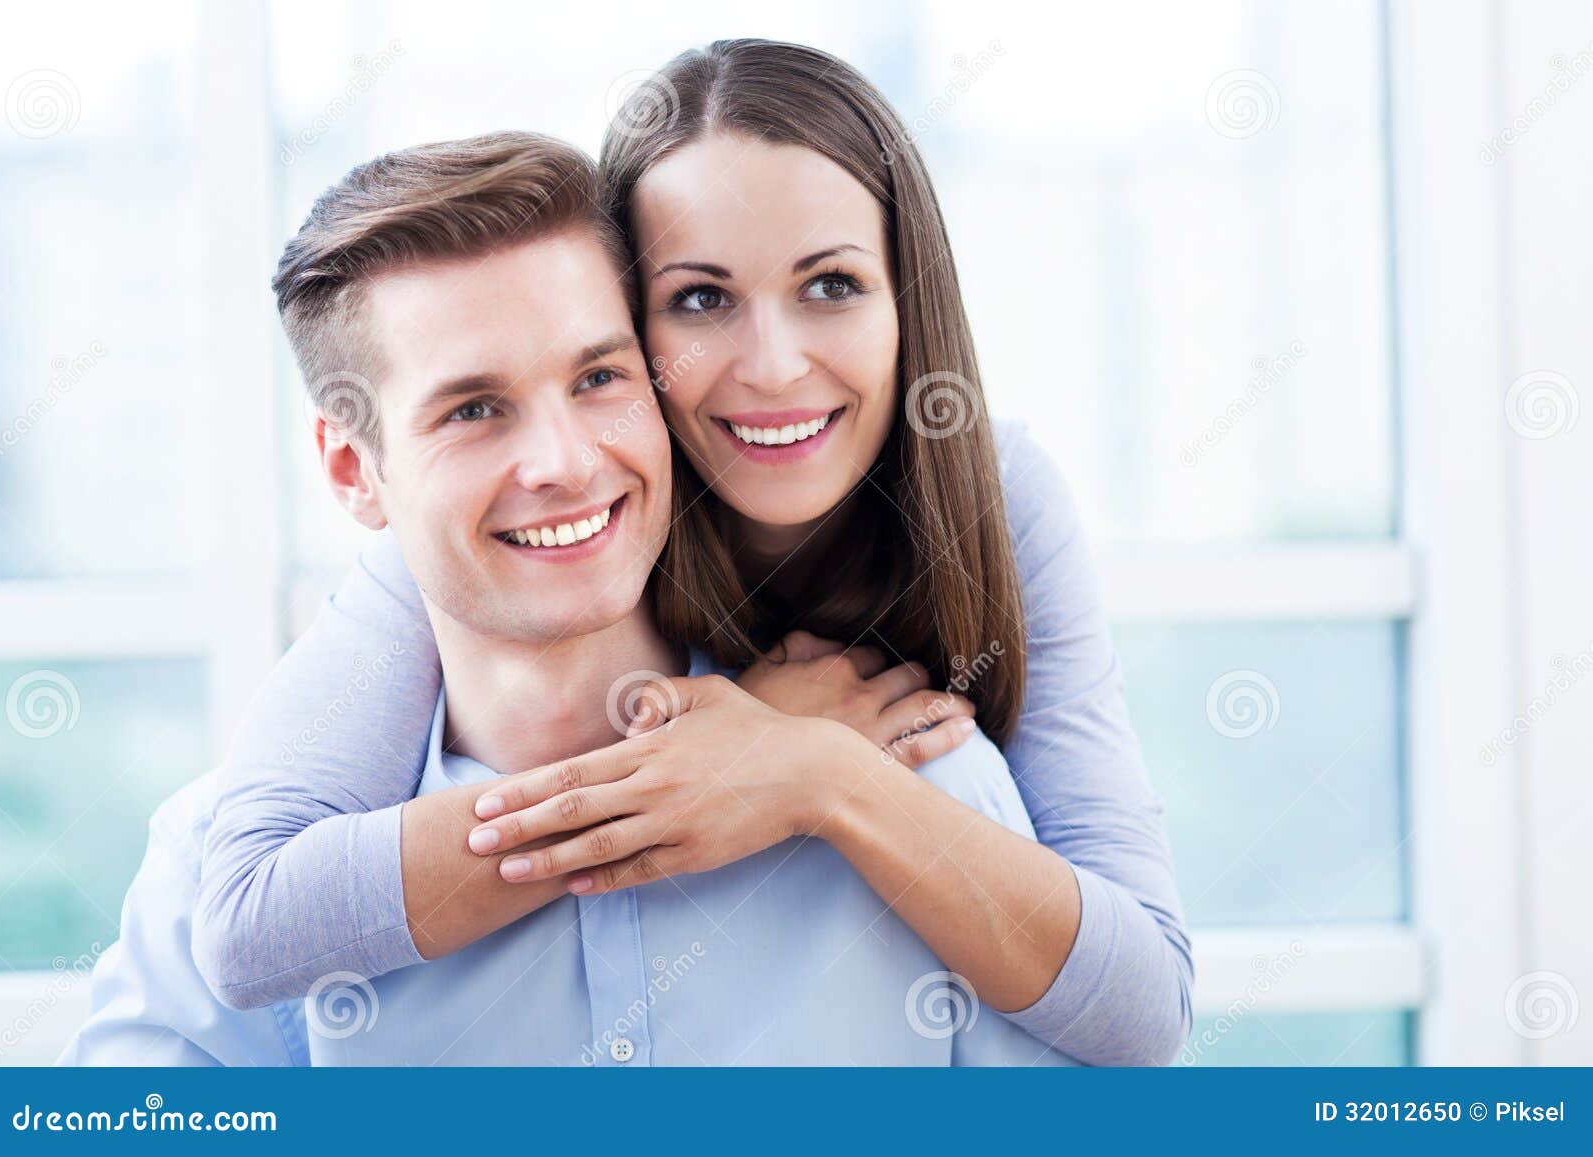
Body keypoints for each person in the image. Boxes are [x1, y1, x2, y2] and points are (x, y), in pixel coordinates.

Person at [194, 39, 1192, 1066]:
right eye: (701, 299)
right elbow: (246, 917)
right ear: (631, 319)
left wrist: (813, 771)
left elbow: (1141, 1006)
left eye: (833, 283)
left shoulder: (993, 502)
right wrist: (684, 774)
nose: (770, 367)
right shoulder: (495, 534)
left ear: (909, 301)